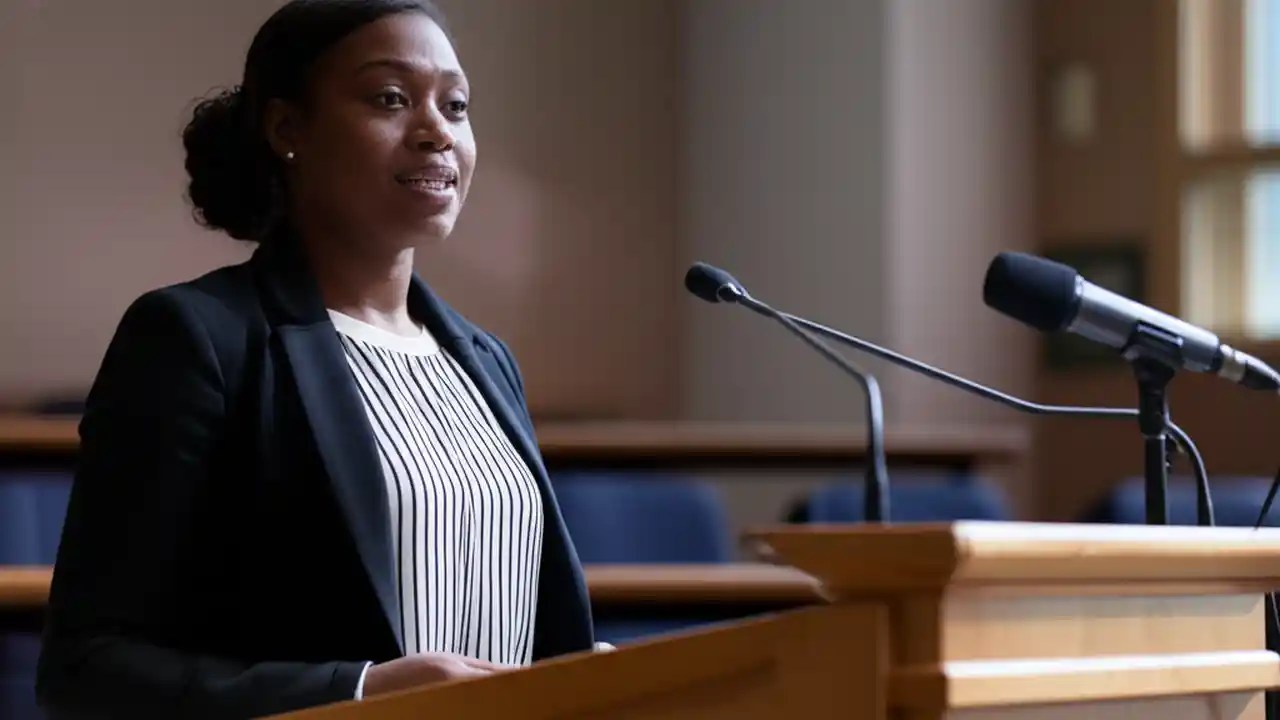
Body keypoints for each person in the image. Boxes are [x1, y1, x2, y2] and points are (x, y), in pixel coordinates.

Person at [36, 1, 597, 717]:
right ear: (287, 129)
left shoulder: (486, 361)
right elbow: (87, 669)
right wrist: (360, 691)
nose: (436, 132)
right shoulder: (195, 339)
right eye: (391, 98)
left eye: (455, 106)